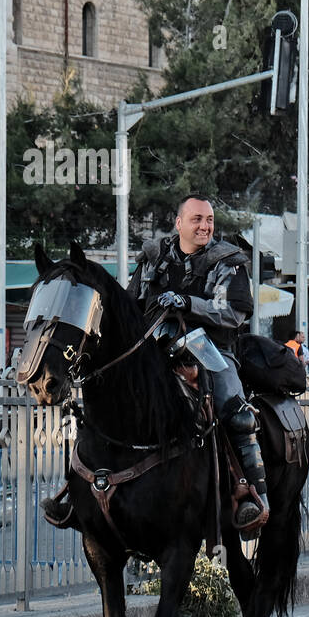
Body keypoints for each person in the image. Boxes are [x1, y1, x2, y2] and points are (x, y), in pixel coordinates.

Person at [106, 194, 269, 533]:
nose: (204, 226)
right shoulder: (154, 258)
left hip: (210, 351)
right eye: (197, 219)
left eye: (209, 220)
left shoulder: (228, 260)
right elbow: (130, 305)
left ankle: (253, 492)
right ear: (179, 223)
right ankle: (89, 483)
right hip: (154, 350)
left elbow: (233, 313)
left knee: (233, 408)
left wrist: (188, 302)